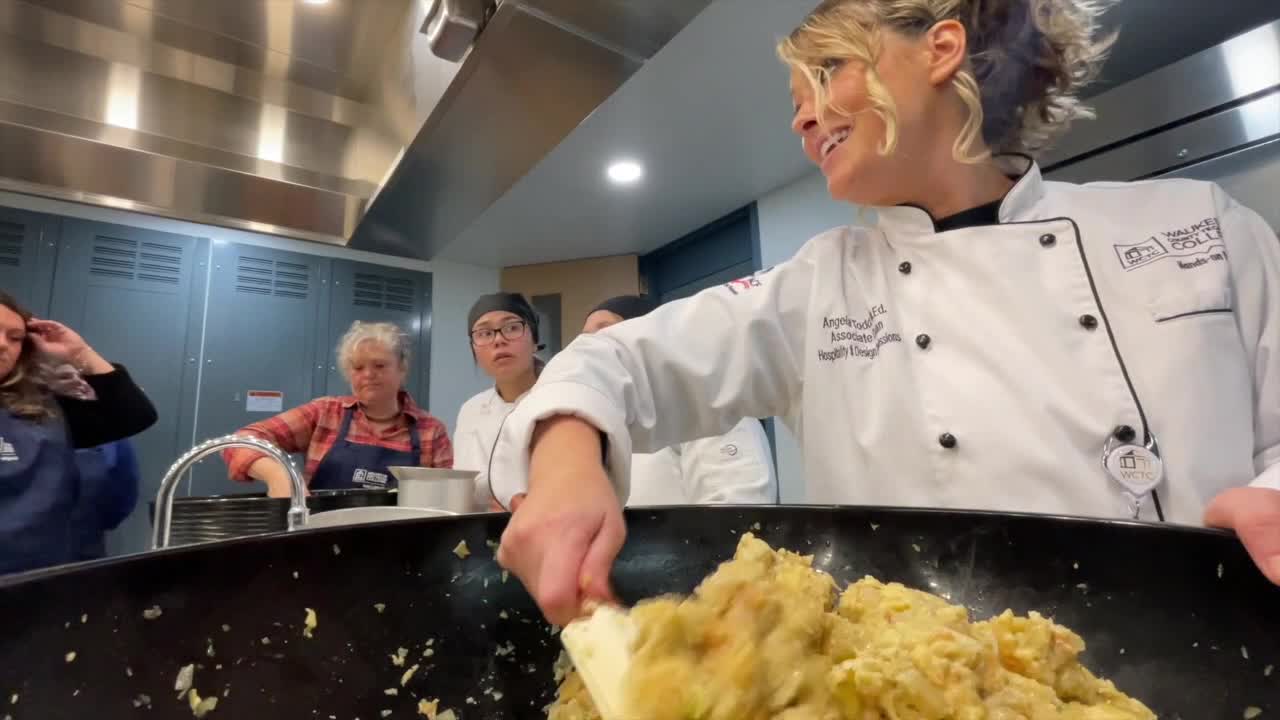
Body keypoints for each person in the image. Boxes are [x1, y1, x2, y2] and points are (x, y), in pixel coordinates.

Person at [489, 0, 1280, 625]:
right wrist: (564, 464)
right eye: (795, 102)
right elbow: (616, 360)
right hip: (919, 683)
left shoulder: (1195, 223)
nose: (801, 119)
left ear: (940, 50)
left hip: (1211, 653)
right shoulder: (817, 287)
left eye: (828, 72)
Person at [0, 291, 157, 574]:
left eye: (15, 337)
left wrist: (79, 354)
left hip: (40, 587)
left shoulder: (42, 411)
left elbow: (135, 414)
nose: (3, 345)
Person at [581, 295, 776, 505]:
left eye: (603, 330)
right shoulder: (605, 427)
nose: (591, 346)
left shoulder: (706, 406)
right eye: (584, 338)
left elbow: (736, 509)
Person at [223, 321, 452, 496]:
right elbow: (240, 441)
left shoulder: (431, 431)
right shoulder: (325, 413)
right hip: (318, 544)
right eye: (358, 367)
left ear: (402, 368)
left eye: (380, 365)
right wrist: (279, 475)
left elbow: (445, 501)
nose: (368, 375)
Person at [453, 293, 544, 510]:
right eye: (484, 333)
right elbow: (465, 487)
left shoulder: (562, 400)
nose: (498, 340)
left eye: (512, 328)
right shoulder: (471, 410)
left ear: (534, 340)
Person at [48, 363, 141, 561]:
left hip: (84, 557)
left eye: (82, 377)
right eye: (65, 377)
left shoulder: (110, 435)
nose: (76, 381)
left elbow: (122, 498)